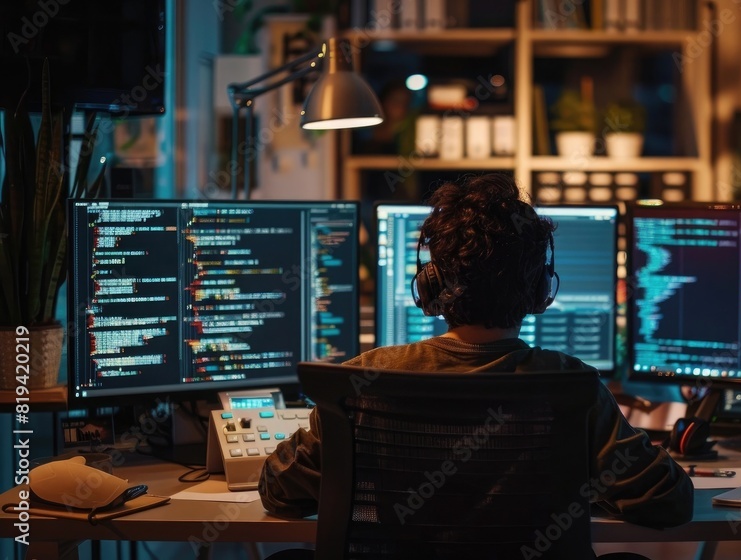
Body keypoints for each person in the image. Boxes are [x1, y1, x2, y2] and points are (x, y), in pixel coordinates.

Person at [258, 173, 693, 530]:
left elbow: (280, 492)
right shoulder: (571, 385)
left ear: (430, 286)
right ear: (541, 290)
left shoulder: (362, 382)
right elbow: (667, 502)